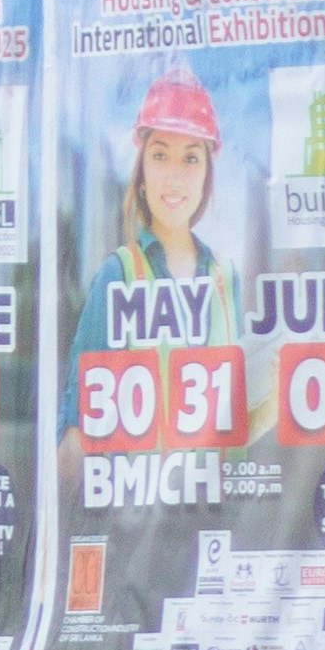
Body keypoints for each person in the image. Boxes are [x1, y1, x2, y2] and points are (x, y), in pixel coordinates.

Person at [59, 68, 244, 496]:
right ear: (141, 170)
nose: (174, 176)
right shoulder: (118, 275)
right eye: (160, 155)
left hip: (209, 504)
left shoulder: (224, 279)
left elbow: (234, 412)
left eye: (190, 157)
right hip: (134, 516)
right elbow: (77, 418)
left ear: (206, 175)